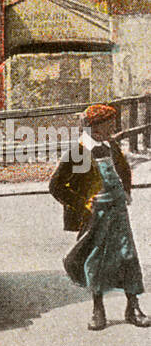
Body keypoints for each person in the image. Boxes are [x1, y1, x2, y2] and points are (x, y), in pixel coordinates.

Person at [49, 103, 150, 331]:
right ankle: (98, 309)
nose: (113, 129)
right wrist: (82, 205)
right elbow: (56, 185)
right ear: (95, 129)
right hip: (95, 216)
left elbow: (123, 168)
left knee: (127, 255)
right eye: (109, 126)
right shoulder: (81, 151)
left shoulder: (110, 145)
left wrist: (126, 191)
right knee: (96, 259)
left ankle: (133, 307)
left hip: (118, 212)